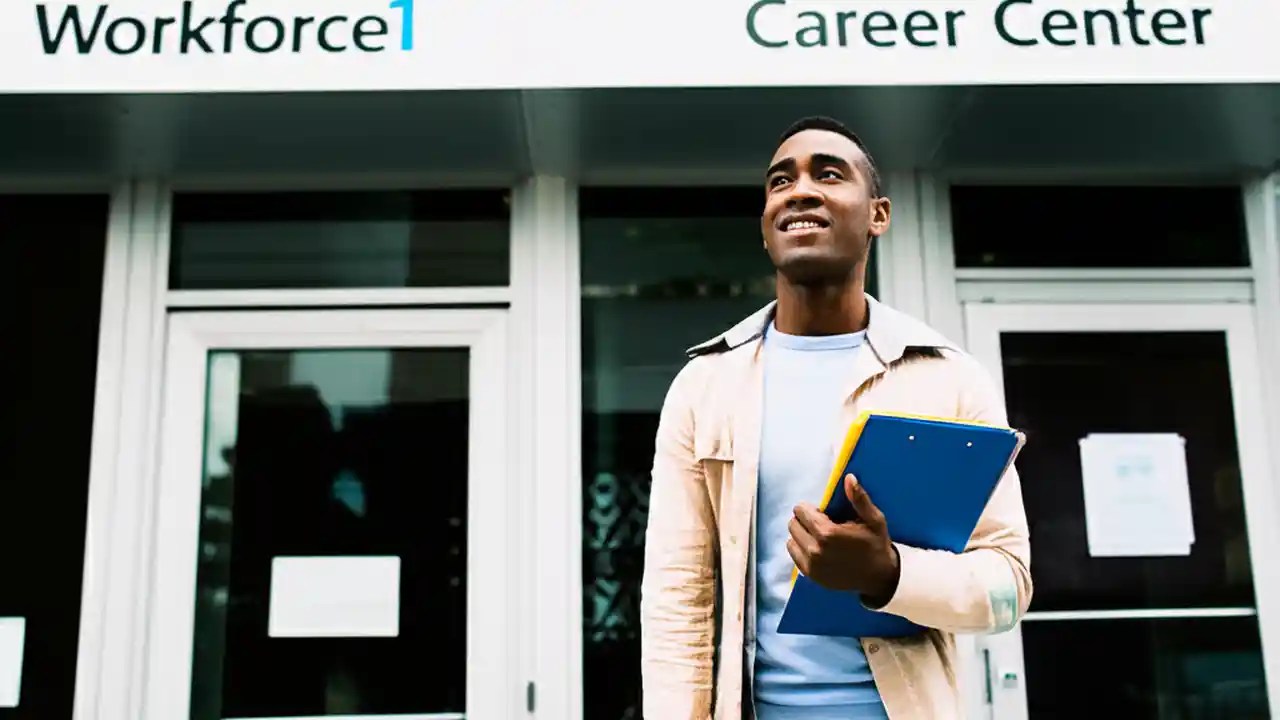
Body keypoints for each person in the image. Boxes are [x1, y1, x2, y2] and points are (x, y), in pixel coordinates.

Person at [639, 115, 1033, 720]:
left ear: (878, 214)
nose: (799, 191)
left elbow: (1008, 587)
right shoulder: (704, 386)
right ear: (766, 225)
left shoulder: (950, 378)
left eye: (828, 174)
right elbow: (677, 598)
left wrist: (889, 573)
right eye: (780, 181)